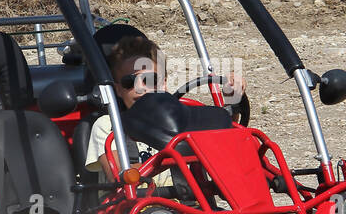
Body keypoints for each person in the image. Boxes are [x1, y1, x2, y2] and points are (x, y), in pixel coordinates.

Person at [84, 33, 245, 184]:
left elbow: (224, 133)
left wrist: (233, 97)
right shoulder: (108, 126)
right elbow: (119, 176)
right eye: (129, 82)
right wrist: (174, 156)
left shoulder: (183, 116)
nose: (141, 88)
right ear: (118, 89)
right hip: (137, 207)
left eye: (150, 79)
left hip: (191, 206)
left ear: (164, 83)